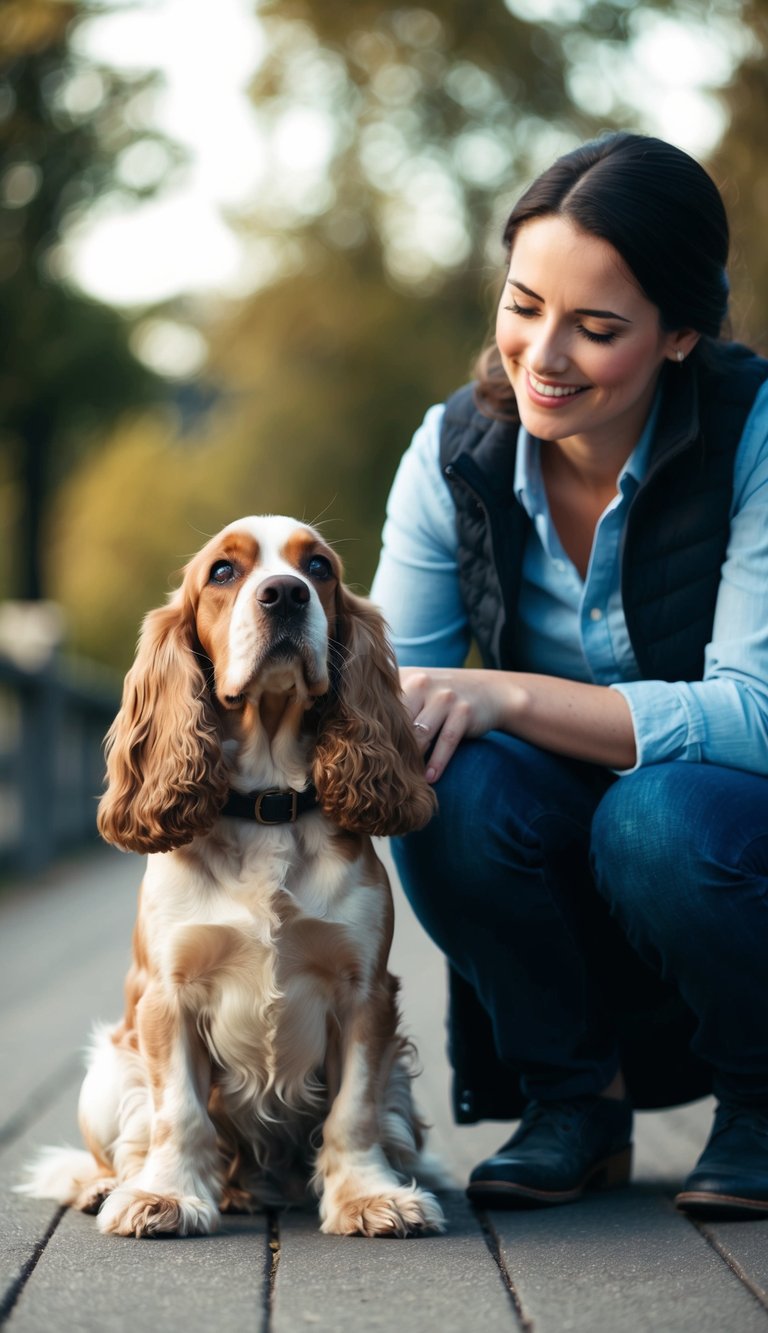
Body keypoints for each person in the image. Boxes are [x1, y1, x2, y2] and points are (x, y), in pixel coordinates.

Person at [370, 132, 768, 1219]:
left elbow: (758, 717)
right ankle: (574, 1102)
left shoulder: (757, 434)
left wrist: (507, 692)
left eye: (595, 329)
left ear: (681, 333)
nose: (539, 354)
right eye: (522, 303)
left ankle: (761, 1105)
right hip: (570, 850)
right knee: (441, 775)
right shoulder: (450, 452)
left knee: (652, 815)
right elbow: (388, 702)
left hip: (727, 842)